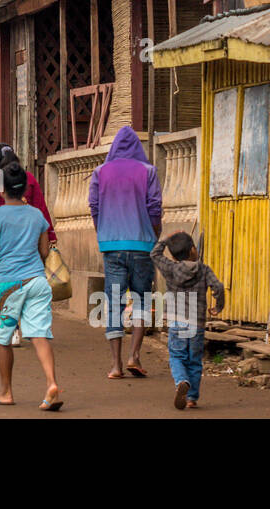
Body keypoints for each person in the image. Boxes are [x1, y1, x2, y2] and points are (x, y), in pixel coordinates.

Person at [0, 160, 61, 410]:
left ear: (1, 189)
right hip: (37, 280)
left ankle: (5, 392)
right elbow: (45, 252)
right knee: (39, 334)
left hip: (8, 285)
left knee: (3, 339)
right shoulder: (37, 216)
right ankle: (51, 383)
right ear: (25, 189)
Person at [88, 125, 164, 380]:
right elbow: (154, 208)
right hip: (142, 245)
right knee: (142, 301)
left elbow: (94, 207)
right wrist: (155, 234)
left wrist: (104, 232)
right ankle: (135, 356)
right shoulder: (149, 171)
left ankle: (116, 365)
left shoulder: (100, 172)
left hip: (112, 246)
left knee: (114, 305)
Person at [151, 231, 224, 410]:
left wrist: (165, 240)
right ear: (193, 249)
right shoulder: (204, 269)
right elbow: (218, 287)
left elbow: (154, 254)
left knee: (177, 356)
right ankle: (191, 398)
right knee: (194, 360)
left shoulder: (170, 268)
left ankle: (181, 381)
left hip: (176, 322)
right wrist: (218, 306)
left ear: (174, 254)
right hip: (196, 324)